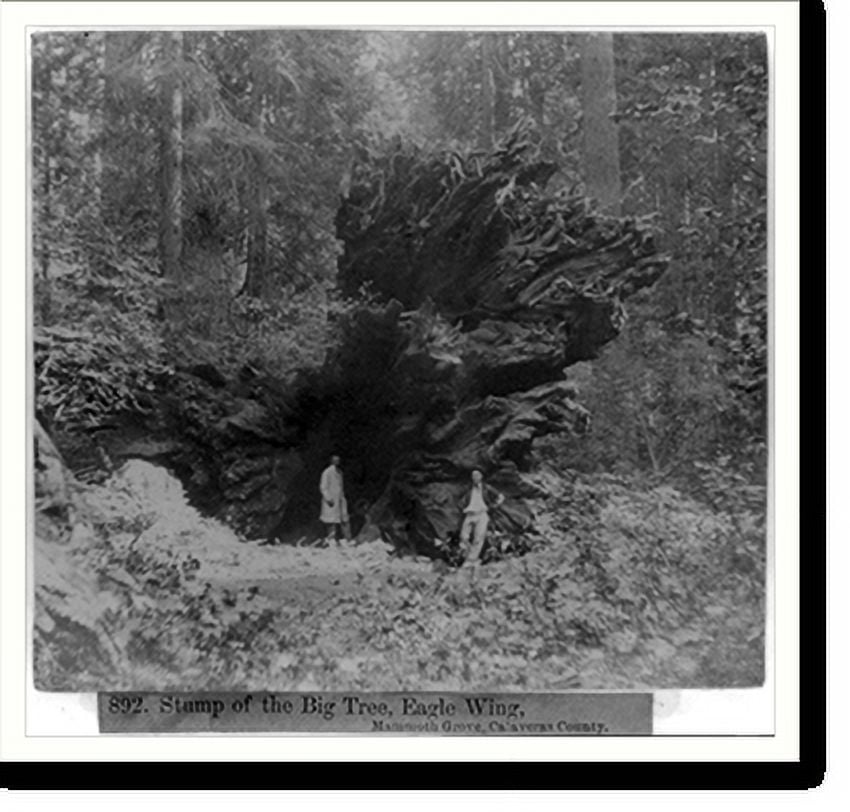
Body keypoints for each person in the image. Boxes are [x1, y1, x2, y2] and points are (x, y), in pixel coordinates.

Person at [458, 469, 504, 566]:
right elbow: (462, 499)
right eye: (473, 476)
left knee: (478, 538)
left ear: (481, 476)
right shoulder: (469, 488)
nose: (475, 478)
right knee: (464, 537)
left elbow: (500, 497)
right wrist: (463, 507)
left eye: (477, 475)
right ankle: (467, 555)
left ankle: (471, 560)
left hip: (482, 514)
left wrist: (493, 506)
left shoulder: (487, 488)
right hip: (470, 514)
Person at [319, 455, 351, 542]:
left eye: (338, 460)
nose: (337, 462)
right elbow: (323, 487)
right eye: (335, 460)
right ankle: (331, 540)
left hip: (340, 499)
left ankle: (347, 539)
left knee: (344, 519)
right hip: (331, 501)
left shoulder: (340, 472)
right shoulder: (327, 472)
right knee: (331, 522)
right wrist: (328, 498)